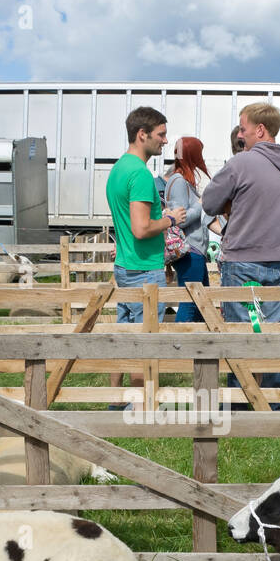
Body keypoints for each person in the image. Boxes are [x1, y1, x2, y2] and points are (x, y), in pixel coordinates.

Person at [202, 102, 280, 410]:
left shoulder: (241, 163)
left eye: (243, 128)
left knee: (243, 333)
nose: (240, 134)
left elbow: (208, 203)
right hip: (276, 261)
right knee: (268, 332)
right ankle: (276, 403)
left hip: (242, 259)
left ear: (260, 129)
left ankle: (242, 404)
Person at [104, 106, 186, 401]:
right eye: (161, 135)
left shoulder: (119, 169)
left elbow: (130, 222)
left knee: (124, 336)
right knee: (145, 341)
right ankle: (138, 409)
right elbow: (140, 228)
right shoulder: (140, 175)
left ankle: (115, 399)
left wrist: (158, 216)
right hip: (144, 269)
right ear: (142, 135)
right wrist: (171, 219)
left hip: (125, 265)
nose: (165, 141)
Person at [160, 137, 213, 322]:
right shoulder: (179, 181)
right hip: (190, 252)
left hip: (195, 252)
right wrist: (200, 205)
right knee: (191, 303)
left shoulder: (182, 181)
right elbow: (179, 220)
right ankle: (178, 347)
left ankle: (194, 347)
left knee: (201, 304)